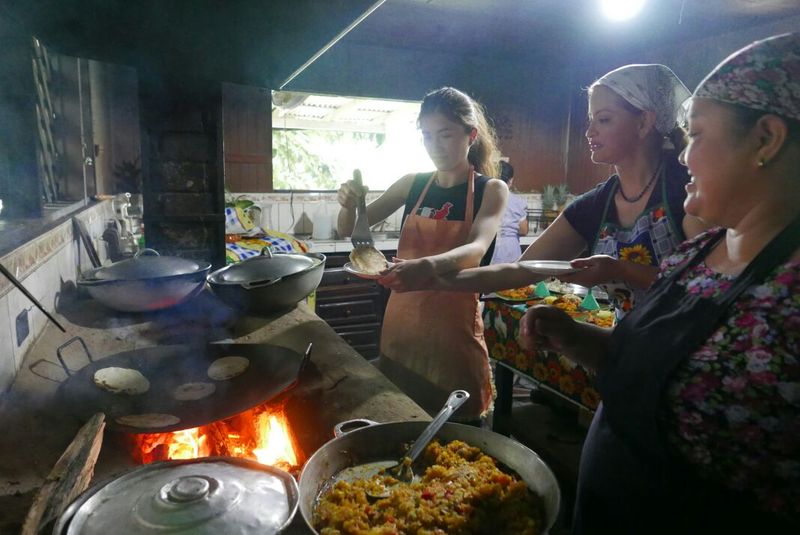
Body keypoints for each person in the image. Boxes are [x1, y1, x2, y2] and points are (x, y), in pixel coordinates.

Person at [520, 33, 800, 532]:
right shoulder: (701, 249)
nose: (684, 156)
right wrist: (572, 336)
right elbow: (650, 361)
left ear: (767, 140)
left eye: (697, 135)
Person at [408, 64, 708, 317]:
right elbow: (521, 270)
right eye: (591, 121)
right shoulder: (597, 205)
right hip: (633, 351)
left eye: (603, 120)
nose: (590, 132)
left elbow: (712, 284)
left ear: (644, 122)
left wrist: (621, 270)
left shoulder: (687, 188)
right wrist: (432, 278)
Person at [336, 87, 508, 421]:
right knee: (399, 421)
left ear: (470, 135)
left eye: (445, 134)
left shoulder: (491, 189)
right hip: (402, 327)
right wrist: (347, 204)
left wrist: (425, 267)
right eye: (427, 136)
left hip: (452, 333)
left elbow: (476, 250)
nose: (435, 146)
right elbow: (350, 229)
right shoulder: (412, 184)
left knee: (457, 432)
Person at [490, 160, 529, 264]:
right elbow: (523, 231)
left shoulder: (484, 199)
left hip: (490, 247)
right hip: (511, 248)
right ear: (511, 180)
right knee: (510, 279)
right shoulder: (519, 202)